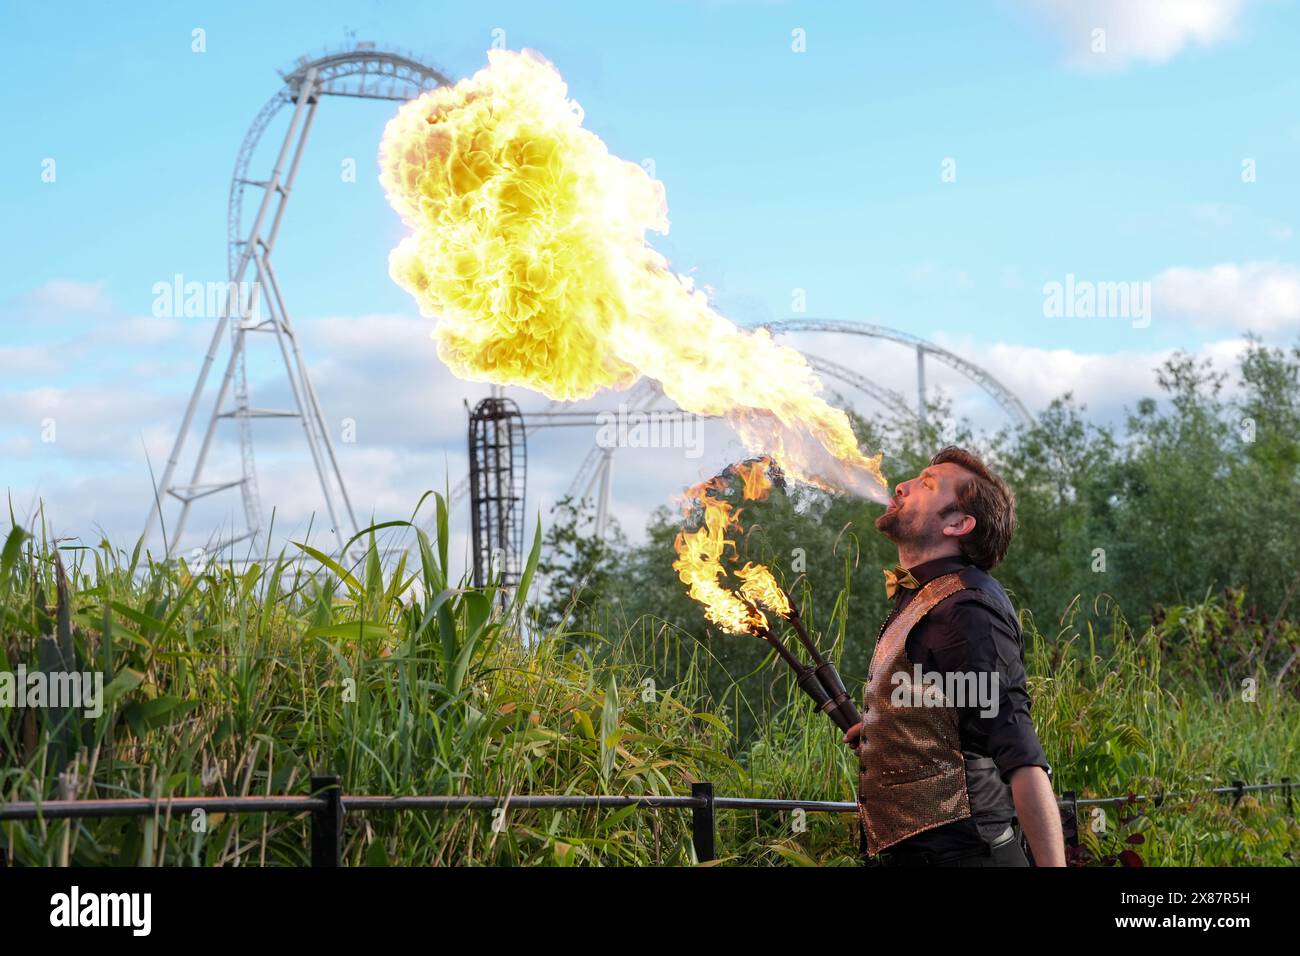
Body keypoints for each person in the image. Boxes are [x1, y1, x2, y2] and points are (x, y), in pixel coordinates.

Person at [842, 446, 1066, 867]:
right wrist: (890, 730)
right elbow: (952, 712)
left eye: (927, 484)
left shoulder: (967, 609)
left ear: (958, 524)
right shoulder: (928, 597)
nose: (902, 486)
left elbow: (1020, 754)